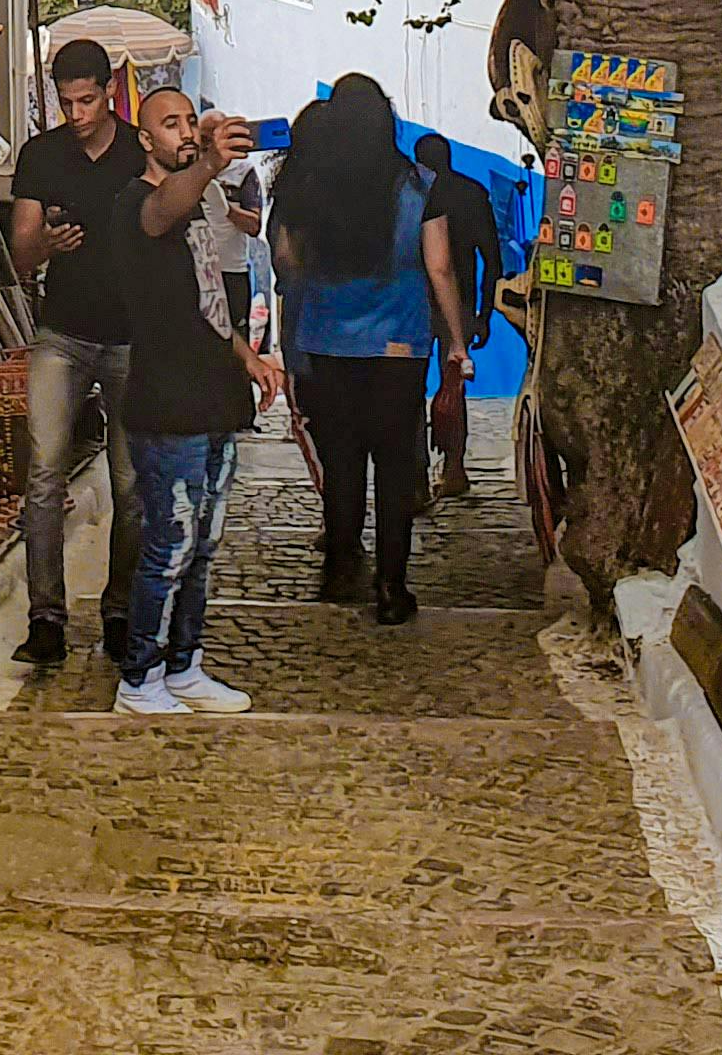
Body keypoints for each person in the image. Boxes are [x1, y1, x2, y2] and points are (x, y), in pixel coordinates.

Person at [273, 72, 466, 624]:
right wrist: (454, 339)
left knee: (342, 460)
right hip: (400, 346)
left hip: (327, 339)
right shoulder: (420, 185)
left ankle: (338, 568)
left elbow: (287, 260)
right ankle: (391, 585)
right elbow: (439, 266)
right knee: (394, 463)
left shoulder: (305, 186)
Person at [115, 85, 279, 713]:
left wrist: (251, 360)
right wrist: (210, 159)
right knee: (170, 543)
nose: (184, 133)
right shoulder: (138, 204)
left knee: (203, 545)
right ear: (145, 139)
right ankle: (140, 678)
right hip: (168, 406)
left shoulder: (202, 203)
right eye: (169, 125)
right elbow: (159, 213)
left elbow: (211, 308)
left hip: (215, 402)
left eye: (190, 122)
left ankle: (184, 665)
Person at [7, 32, 151, 669]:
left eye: (87, 101)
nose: (77, 115)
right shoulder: (42, 156)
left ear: (109, 94)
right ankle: (46, 618)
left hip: (131, 335)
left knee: (131, 484)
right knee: (42, 474)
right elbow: (18, 254)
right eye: (66, 103)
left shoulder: (139, 155)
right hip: (62, 332)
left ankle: (120, 609)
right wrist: (47, 249)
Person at [412, 131, 503, 502]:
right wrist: (485, 314)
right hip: (461, 301)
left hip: (415, 302)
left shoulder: (414, 196)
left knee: (411, 390)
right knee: (454, 387)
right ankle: (455, 467)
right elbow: (492, 259)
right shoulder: (472, 193)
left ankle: (416, 472)